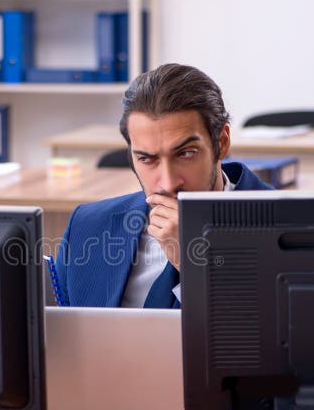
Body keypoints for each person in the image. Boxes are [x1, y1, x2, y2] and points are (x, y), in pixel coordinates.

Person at [55, 63, 272, 308]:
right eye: (147, 159)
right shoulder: (86, 225)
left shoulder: (286, 224)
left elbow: (278, 329)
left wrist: (193, 263)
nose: (168, 183)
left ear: (221, 142)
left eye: (186, 154)